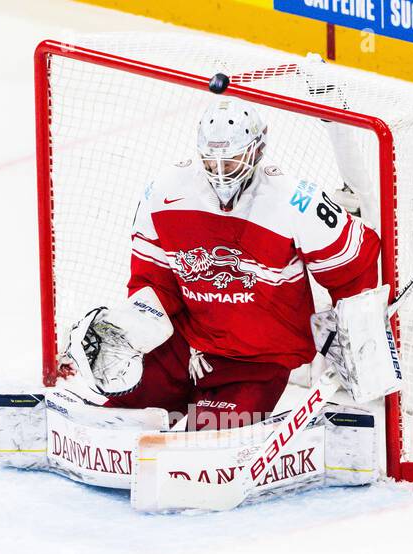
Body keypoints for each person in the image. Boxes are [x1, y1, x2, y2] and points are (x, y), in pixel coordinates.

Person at [66, 97, 384, 430]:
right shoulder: (164, 193)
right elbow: (153, 279)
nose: (219, 171)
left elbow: (355, 263)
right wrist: (134, 326)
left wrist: (354, 332)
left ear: (257, 150)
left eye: (230, 161)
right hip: (185, 344)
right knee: (113, 421)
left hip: (258, 359)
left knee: (205, 444)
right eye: (210, 160)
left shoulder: (294, 200)